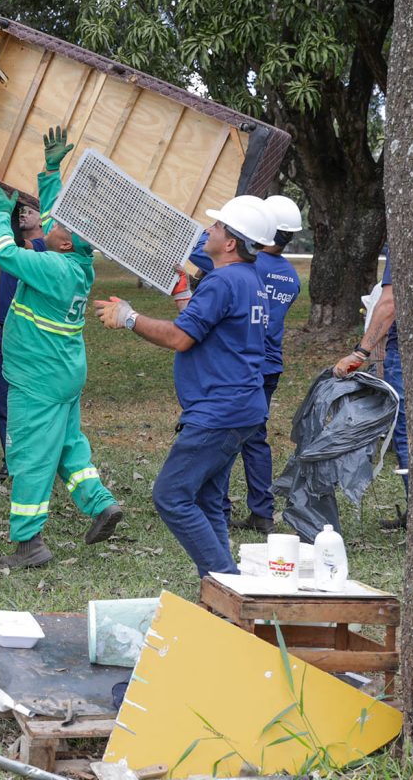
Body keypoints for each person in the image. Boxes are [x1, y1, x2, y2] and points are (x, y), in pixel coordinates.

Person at [93, 196, 274, 578]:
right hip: (241, 406)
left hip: (219, 411)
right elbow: (212, 326)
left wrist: (130, 317)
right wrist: (182, 294)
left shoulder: (223, 281)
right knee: (209, 500)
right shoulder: (249, 279)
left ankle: (228, 583)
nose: (209, 229)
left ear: (230, 243)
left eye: (218, 227)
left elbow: (180, 337)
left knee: (172, 496)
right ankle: (219, 588)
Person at [0, 126, 123, 569]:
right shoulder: (77, 263)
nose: (46, 220)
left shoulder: (52, 268)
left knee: (28, 454)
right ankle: (101, 503)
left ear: (62, 242)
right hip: (64, 374)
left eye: (55, 224)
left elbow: (4, 253)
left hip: (37, 379)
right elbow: (59, 217)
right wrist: (49, 172)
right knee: (67, 444)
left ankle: (29, 545)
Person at [224, 194, 305, 535]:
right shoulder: (291, 277)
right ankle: (262, 513)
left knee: (225, 434)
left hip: (243, 363)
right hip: (270, 365)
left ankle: (218, 508)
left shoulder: (249, 266)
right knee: (256, 438)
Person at [333, 249, 408, 530]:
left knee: (406, 431)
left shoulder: (406, 233)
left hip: (410, 352)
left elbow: (390, 303)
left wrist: (360, 353)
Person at [0, 202, 47, 484]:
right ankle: (11, 461)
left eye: (30, 210)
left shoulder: (45, 252)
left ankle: (35, 462)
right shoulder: (11, 245)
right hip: (5, 333)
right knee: (1, 399)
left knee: (32, 402)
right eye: (20, 209)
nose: (23, 213)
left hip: (31, 337)